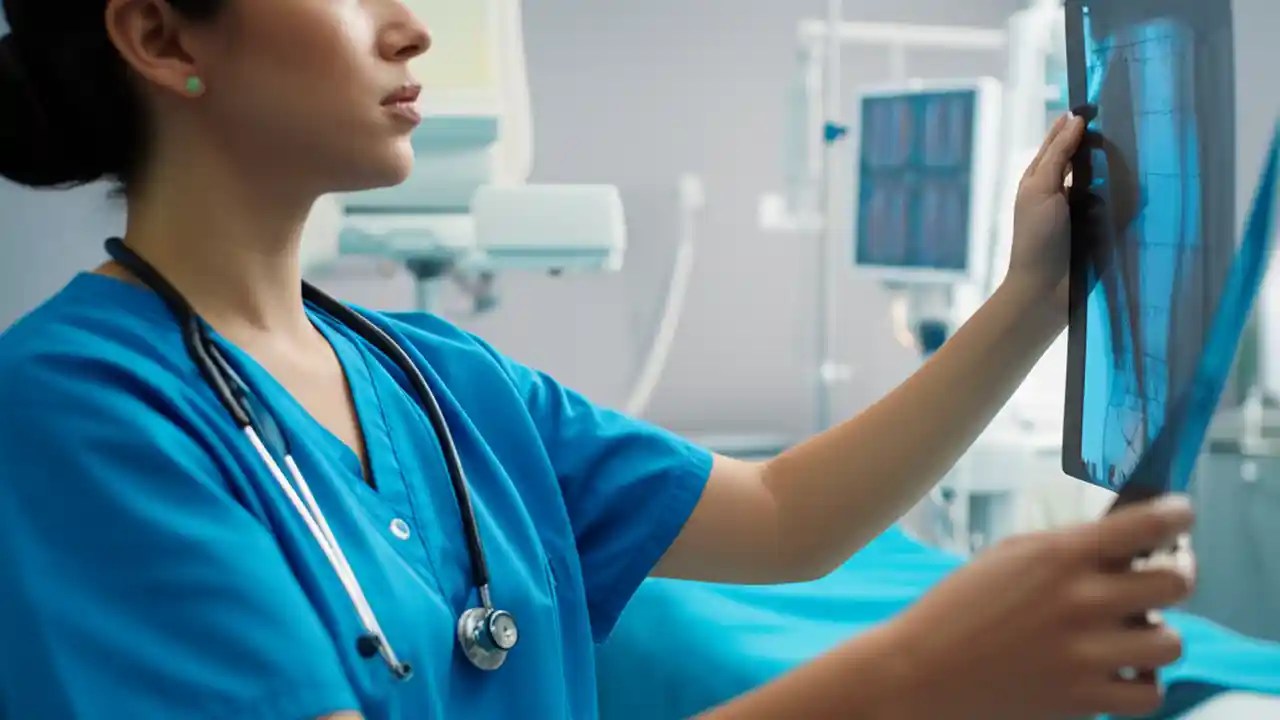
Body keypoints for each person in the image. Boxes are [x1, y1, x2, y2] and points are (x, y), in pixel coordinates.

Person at [0, 1, 1195, 719]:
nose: (412, 26)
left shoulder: (436, 378)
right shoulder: (77, 412)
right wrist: (913, 674)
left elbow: (783, 515)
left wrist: (1035, 297)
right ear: (160, 34)